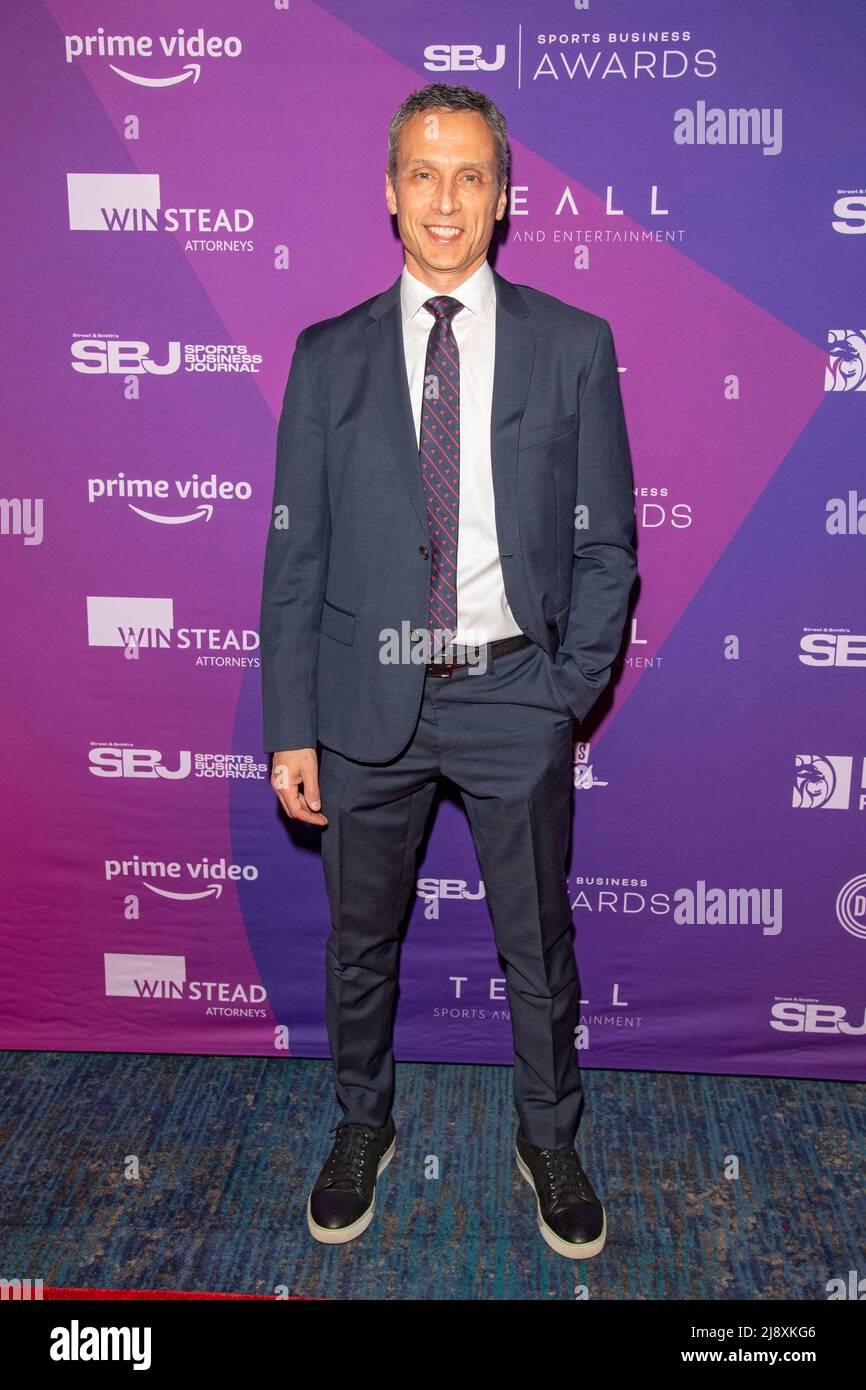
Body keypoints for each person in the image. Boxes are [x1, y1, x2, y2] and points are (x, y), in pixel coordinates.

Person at [259, 83, 637, 1259]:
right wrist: (291, 727)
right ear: (388, 192)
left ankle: (547, 1136)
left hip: (511, 692)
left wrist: (561, 695)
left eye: (469, 174)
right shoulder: (324, 359)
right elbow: (293, 554)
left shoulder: (572, 344)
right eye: (422, 173)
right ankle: (360, 1125)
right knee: (357, 944)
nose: (444, 199)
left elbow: (607, 543)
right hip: (363, 696)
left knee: (538, 946)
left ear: (504, 196)